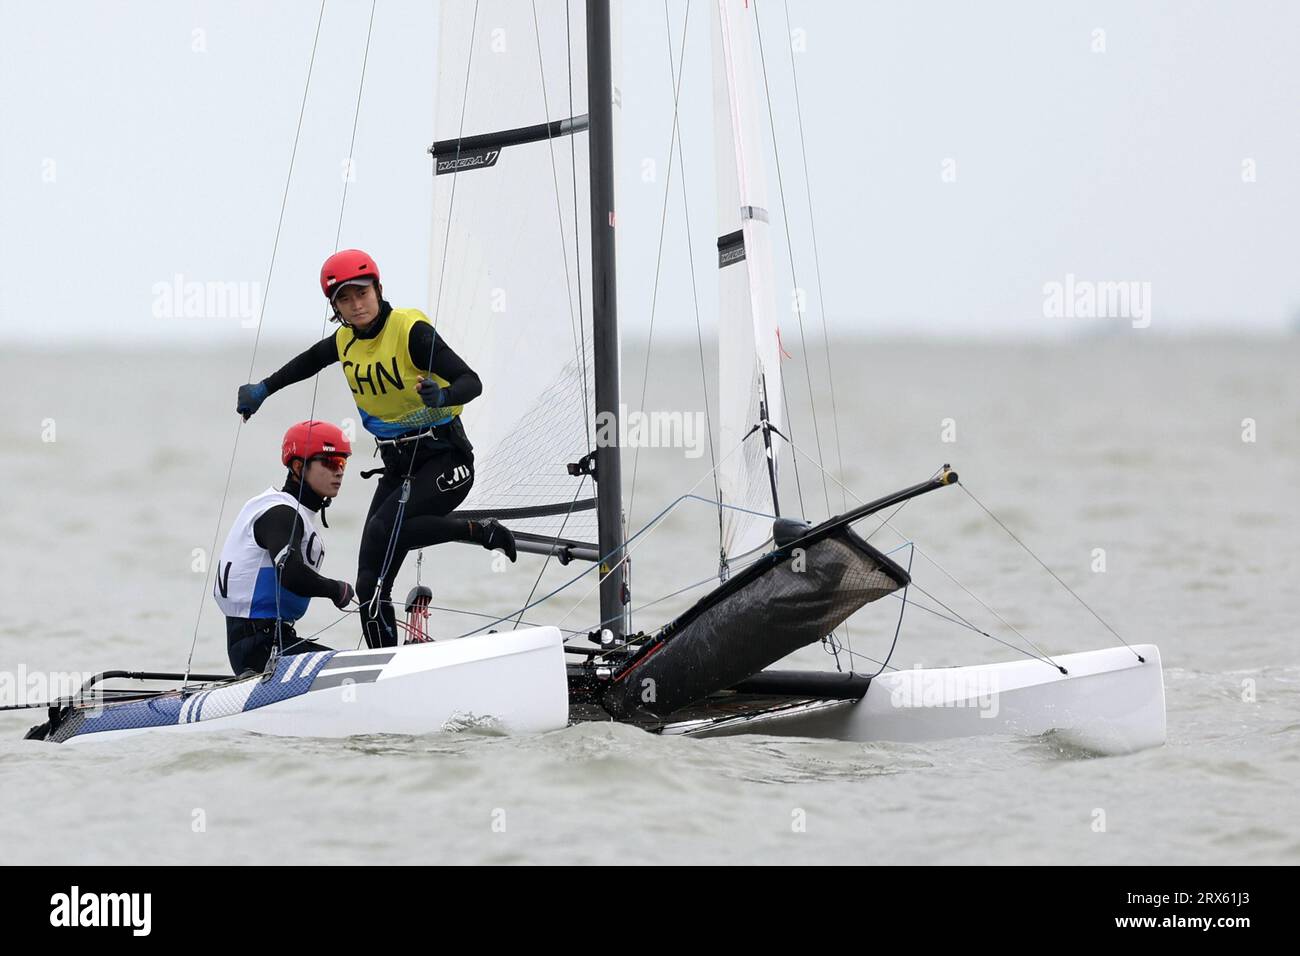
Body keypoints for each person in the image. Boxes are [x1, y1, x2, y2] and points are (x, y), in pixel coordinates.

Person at [235, 249, 515, 649]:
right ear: (335, 308)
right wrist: (263, 389)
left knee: (389, 528)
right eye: (344, 299)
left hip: (446, 459)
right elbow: (307, 363)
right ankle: (386, 667)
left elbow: (472, 382)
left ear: (379, 290)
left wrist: (444, 395)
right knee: (369, 581)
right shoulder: (345, 341)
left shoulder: (410, 332)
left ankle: (480, 530)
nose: (356, 305)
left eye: (362, 293)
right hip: (399, 467)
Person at [214, 420, 356, 675]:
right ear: (299, 467)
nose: (339, 471)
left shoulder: (295, 513)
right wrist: (335, 589)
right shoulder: (281, 512)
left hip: (275, 641)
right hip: (259, 647)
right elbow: (289, 572)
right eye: (330, 462)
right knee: (350, 674)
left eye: (343, 463)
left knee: (347, 669)